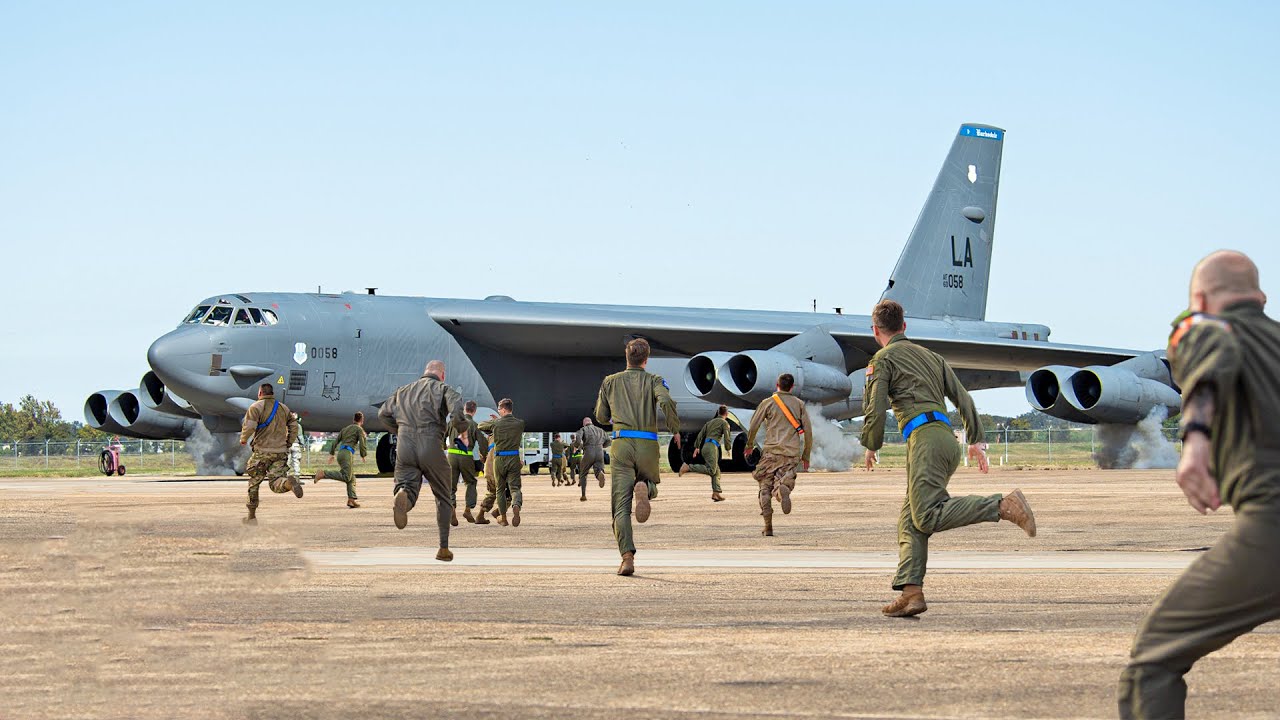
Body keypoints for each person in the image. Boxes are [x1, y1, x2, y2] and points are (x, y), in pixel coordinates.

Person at [1118, 251, 1280, 719]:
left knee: (1154, 658)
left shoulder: (1205, 325)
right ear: (1260, 296)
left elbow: (1210, 363)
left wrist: (1196, 440)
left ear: (1203, 298)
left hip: (1271, 531)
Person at [859, 299, 1036, 618]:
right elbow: (963, 397)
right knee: (910, 518)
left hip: (924, 438)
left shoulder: (882, 360)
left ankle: (1002, 505)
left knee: (925, 515)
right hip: (943, 436)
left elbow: (875, 406)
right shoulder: (932, 357)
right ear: (904, 326)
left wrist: (871, 445)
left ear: (875, 331)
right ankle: (912, 593)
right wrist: (977, 440)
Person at [594, 338, 680, 576]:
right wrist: (675, 429)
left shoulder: (609, 382)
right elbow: (666, 401)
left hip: (621, 444)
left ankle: (627, 557)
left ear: (627, 356)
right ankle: (645, 487)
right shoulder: (654, 380)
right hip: (647, 444)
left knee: (620, 506)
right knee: (650, 483)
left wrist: (614, 418)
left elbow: (601, 416)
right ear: (646, 359)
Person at [378, 360, 468, 562]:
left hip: (404, 447)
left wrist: (399, 429)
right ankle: (443, 548)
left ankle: (403, 496)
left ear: (425, 372)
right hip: (431, 445)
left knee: (407, 486)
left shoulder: (403, 391)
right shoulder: (444, 389)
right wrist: (462, 427)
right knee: (443, 497)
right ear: (442, 375)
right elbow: (456, 413)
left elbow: (382, 413)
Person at [745, 376, 813, 536]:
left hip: (770, 453)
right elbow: (808, 431)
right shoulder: (799, 404)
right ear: (792, 387)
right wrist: (806, 454)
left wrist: (749, 445)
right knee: (786, 480)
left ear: (777, 385)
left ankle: (768, 526)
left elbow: (754, 425)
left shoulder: (767, 402)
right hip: (790, 454)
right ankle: (782, 490)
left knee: (764, 488)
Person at [237, 383, 302, 523]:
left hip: (262, 452)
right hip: (280, 452)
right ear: (272, 393)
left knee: (254, 483)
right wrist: (289, 442)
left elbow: (249, 426)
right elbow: (294, 425)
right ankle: (288, 484)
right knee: (275, 482)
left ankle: (252, 517)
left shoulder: (255, 407)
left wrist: (243, 439)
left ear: (260, 393)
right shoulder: (283, 408)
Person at [478, 398, 526, 527]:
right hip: (514, 458)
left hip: (499, 459)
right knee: (515, 488)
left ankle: (503, 518)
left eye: (499, 409)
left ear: (503, 409)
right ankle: (516, 505)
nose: (499, 411)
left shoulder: (496, 424)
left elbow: (480, 425)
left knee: (500, 489)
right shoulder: (520, 423)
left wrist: (495, 421)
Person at [313, 411, 367, 508]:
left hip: (341, 453)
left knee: (351, 477)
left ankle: (351, 499)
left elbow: (335, 442)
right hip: (347, 454)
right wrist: (363, 455)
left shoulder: (345, 429)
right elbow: (362, 443)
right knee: (347, 477)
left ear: (353, 419)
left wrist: (332, 453)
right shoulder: (359, 429)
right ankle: (323, 473)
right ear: (362, 421)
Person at [680, 405, 732, 502]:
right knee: (712, 470)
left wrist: (696, 447)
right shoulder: (724, 423)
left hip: (705, 446)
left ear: (718, 412)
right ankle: (688, 467)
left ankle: (716, 493)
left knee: (716, 470)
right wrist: (728, 448)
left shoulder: (709, 422)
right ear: (726, 414)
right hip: (712, 447)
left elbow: (700, 434)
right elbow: (727, 436)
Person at [448, 401, 488, 523]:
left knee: (451, 485)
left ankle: (452, 509)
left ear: (465, 409)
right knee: (470, 482)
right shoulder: (474, 425)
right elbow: (483, 443)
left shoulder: (452, 422)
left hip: (452, 456)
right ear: (474, 411)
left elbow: (441, 435)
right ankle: (467, 510)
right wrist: (484, 457)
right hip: (466, 457)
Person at [574, 417, 611, 500]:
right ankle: (600, 474)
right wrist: (602, 446)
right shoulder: (600, 430)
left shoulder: (583, 429)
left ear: (584, 423)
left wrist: (575, 446)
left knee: (583, 473)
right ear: (591, 422)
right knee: (598, 470)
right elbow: (609, 440)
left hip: (588, 452)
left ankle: (583, 495)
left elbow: (578, 441)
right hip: (599, 452)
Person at [288, 412, 305, 480]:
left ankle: (286, 478)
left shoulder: (286, 425)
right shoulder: (298, 426)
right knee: (296, 461)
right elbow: (300, 436)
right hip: (295, 445)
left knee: (287, 462)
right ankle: (297, 478)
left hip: (287, 445)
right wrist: (303, 445)